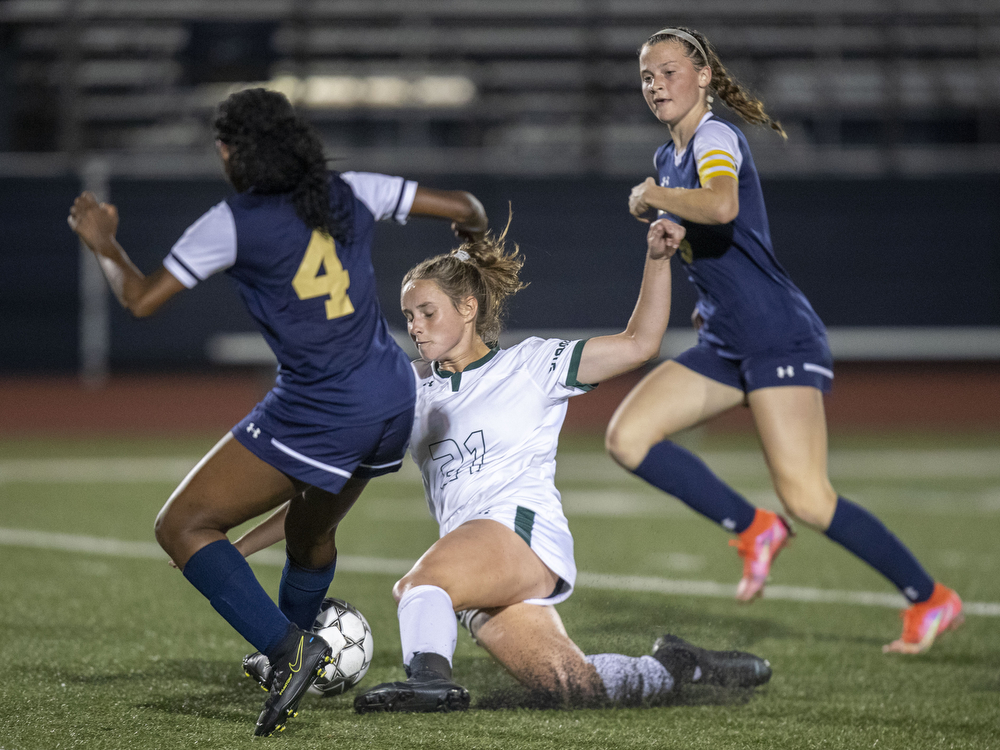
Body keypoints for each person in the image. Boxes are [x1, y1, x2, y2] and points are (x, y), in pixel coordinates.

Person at [67, 87, 489, 736]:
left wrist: (103, 243)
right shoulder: (351, 190)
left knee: (181, 525)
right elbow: (467, 207)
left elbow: (142, 299)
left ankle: (289, 650)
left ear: (230, 151)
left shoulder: (233, 222)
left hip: (322, 405)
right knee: (310, 534)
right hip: (392, 396)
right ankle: (287, 651)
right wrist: (469, 241)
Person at [238, 217, 773, 711]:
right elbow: (329, 488)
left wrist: (657, 260)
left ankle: (428, 679)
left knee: (419, 586)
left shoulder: (531, 365)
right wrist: (236, 550)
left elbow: (640, 344)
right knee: (572, 684)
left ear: (468, 308)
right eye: (409, 316)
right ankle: (679, 665)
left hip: (520, 533)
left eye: (428, 312)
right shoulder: (408, 392)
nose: (416, 327)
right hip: (473, 559)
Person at [604, 27, 963, 654]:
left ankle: (931, 598)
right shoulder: (668, 157)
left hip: (776, 337)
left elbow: (722, 206)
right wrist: (676, 249)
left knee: (808, 498)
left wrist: (652, 198)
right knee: (628, 437)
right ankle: (754, 528)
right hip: (728, 340)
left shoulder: (715, 138)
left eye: (668, 72)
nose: (655, 85)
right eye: (646, 77)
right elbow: (708, 238)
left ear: (704, 76)